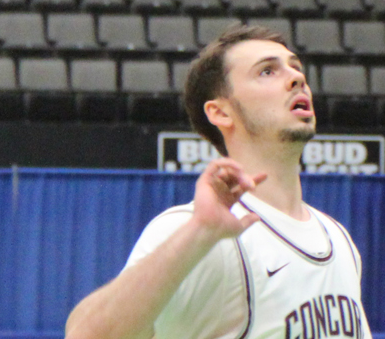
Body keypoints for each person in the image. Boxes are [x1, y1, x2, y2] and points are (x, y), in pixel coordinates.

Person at [64, 25, 365, 339]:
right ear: (221, 112)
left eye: (295, 66)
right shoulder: (200, 234)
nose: (296, 77)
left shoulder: (337, 238)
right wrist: (200, 231)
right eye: (267, 71)